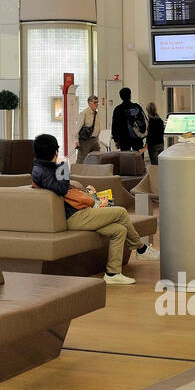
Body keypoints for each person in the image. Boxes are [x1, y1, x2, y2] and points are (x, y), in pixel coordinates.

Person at [31, 133, 147, 286]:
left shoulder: (41, 169)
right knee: (121, 212)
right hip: (74, 217)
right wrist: (63, 167)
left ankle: (113, 273)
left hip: (73, 215)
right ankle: (141, 249)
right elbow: (62, 188)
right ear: (55, 152)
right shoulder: (44, 170)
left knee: (118, 230)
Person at [110, 87, 146, 153]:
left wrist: (116, 139)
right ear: (130, 95)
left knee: (125, 159)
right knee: (138, 159)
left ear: (121, 97)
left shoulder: (118, 109)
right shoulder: (137, 107)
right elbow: (144, 121)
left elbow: (114, 125)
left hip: (123, 139)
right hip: (137, 137)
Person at [76, 95, 101, 162]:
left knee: (96, 158)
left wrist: (97, 138)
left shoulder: (96, 113)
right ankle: (78, 172)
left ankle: (92, 172)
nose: (97, 104)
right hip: (85, 141)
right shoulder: (84, 113)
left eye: (97, 102)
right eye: (95, 102)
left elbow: (97, 127)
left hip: (95, 140)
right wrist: (76, 140)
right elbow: (77, 128)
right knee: (82, 159)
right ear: (89, 103)